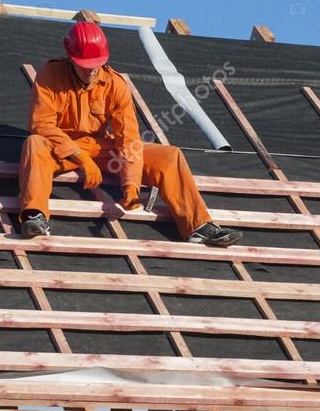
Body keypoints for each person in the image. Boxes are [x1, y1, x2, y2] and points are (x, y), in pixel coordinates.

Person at [18, 21, 242, 247]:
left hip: (101, 147)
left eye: (97, 64)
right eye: (85, 65)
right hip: (61, 148)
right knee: (34, 143)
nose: (92, 70)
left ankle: (199, 226)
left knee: (169, 156)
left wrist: (131, 184)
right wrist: (81, 158)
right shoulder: (50, 74)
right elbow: (42, 125)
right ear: (70, 57)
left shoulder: (115, 84)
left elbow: (129, 139)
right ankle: (35, 215)